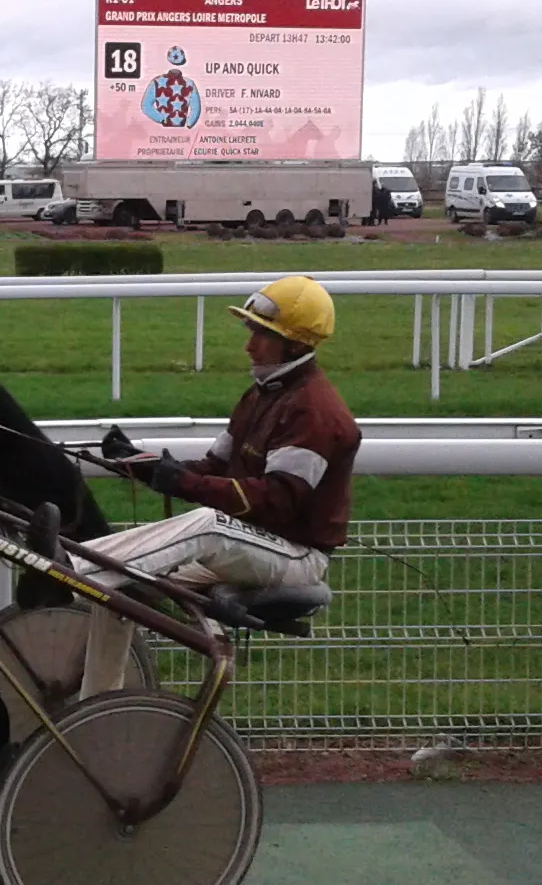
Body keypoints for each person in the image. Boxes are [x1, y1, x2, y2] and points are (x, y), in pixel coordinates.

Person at [77, 274, 360, 697]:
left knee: (208, 523)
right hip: (252, 544)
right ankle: (96, 705)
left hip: (296, 557)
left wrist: (185, 483)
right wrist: (138, 463)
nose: (249, 344)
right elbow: (212, 468)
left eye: (262, 334)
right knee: (126, 589)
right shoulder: (260, 396)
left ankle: (74, 567)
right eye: (251, 331)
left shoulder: (314, 413)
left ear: (296, 344)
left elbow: (276, 501)